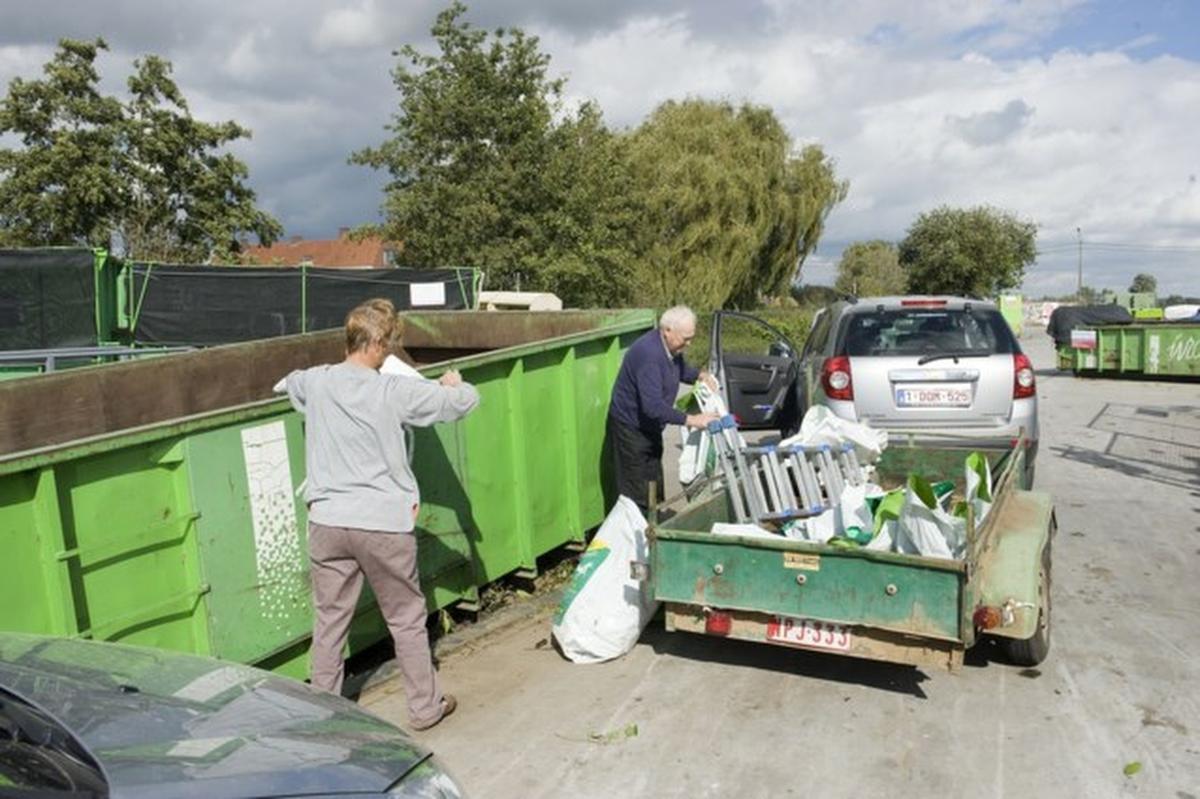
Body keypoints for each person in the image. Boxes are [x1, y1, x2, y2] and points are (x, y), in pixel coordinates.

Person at [284, 298, 479, 731]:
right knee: (406, 619)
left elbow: (288, 384)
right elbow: (463, 403)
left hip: (328, 522)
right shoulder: (393, 391)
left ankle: (324, 713)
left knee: (330, 622)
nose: (390, 352)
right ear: (374, 342)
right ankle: (425, 708)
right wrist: (454, 384)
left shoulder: (315, 382)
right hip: (382, 524)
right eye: (388, 344)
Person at [607, 305, 719, 513]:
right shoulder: (649, 355)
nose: (689, 343)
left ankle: (655, 524)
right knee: (636, 491)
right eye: (685, 338)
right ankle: (641, 535)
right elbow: (652, 407)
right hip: (631, 429)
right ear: (667, 330)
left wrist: (699, 375)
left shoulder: (670, 348)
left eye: (690, 337)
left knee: (654, 482)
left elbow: (679, 369)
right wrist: (693, 420)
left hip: (650, 428)